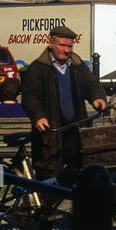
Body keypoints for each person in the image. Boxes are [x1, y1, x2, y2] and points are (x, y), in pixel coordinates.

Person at [20, 26, 107, 179]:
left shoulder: (77, 65)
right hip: (50, 134)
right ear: (50, 43)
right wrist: (38, 116)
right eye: (62, 45)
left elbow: (91, 84)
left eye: (70, 46)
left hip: (75, 133)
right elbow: (30, 97)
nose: (67, 50)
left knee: (77, 178)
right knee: (49, 181)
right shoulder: (37, 68)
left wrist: (97, 97)